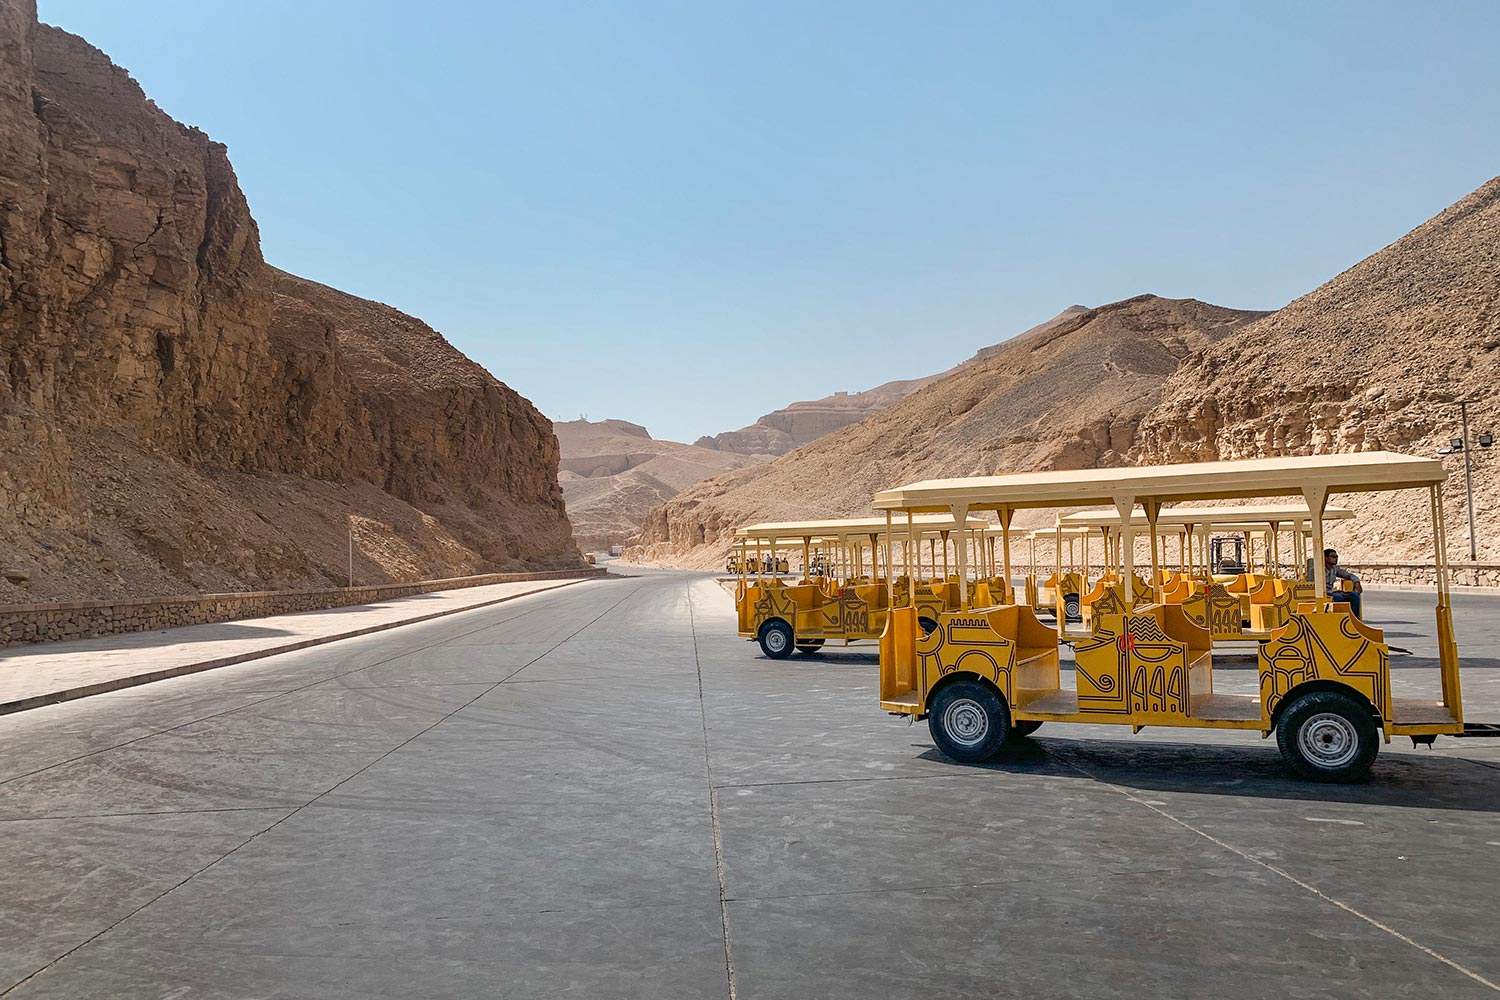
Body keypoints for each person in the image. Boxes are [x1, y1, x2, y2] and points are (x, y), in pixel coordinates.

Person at [1307, 547, 1362, 619]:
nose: (1335, 558)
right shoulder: (1315, 570)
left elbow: (1349, 575)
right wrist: (1336, 592)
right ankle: (1339, 619)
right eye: (1333, 557)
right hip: (1320, 595)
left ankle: (1354, 619)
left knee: (1354, 595)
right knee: (1338, 597)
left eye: (1336, 557)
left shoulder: (1334, 569)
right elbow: (1313, 587)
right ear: (1326, 558)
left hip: (1332, 593)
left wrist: (1356, 582)